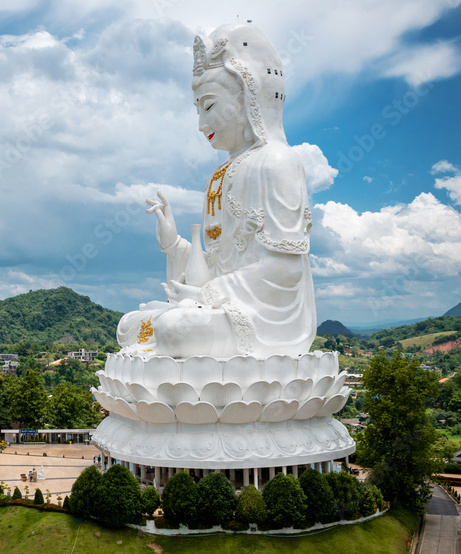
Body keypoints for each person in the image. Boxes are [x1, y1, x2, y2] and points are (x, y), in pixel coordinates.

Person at [116, 22, 316, 359]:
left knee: (175, 330)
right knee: (130, 326)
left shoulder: (277, 162)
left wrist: (204, 296)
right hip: (218, 303)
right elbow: (216, 263)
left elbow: (285, 270)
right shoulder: (220, 175)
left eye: (208, 106)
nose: (200, 124)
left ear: (249, 95)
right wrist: (175, 245)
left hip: (265, 317)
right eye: (197, 110)